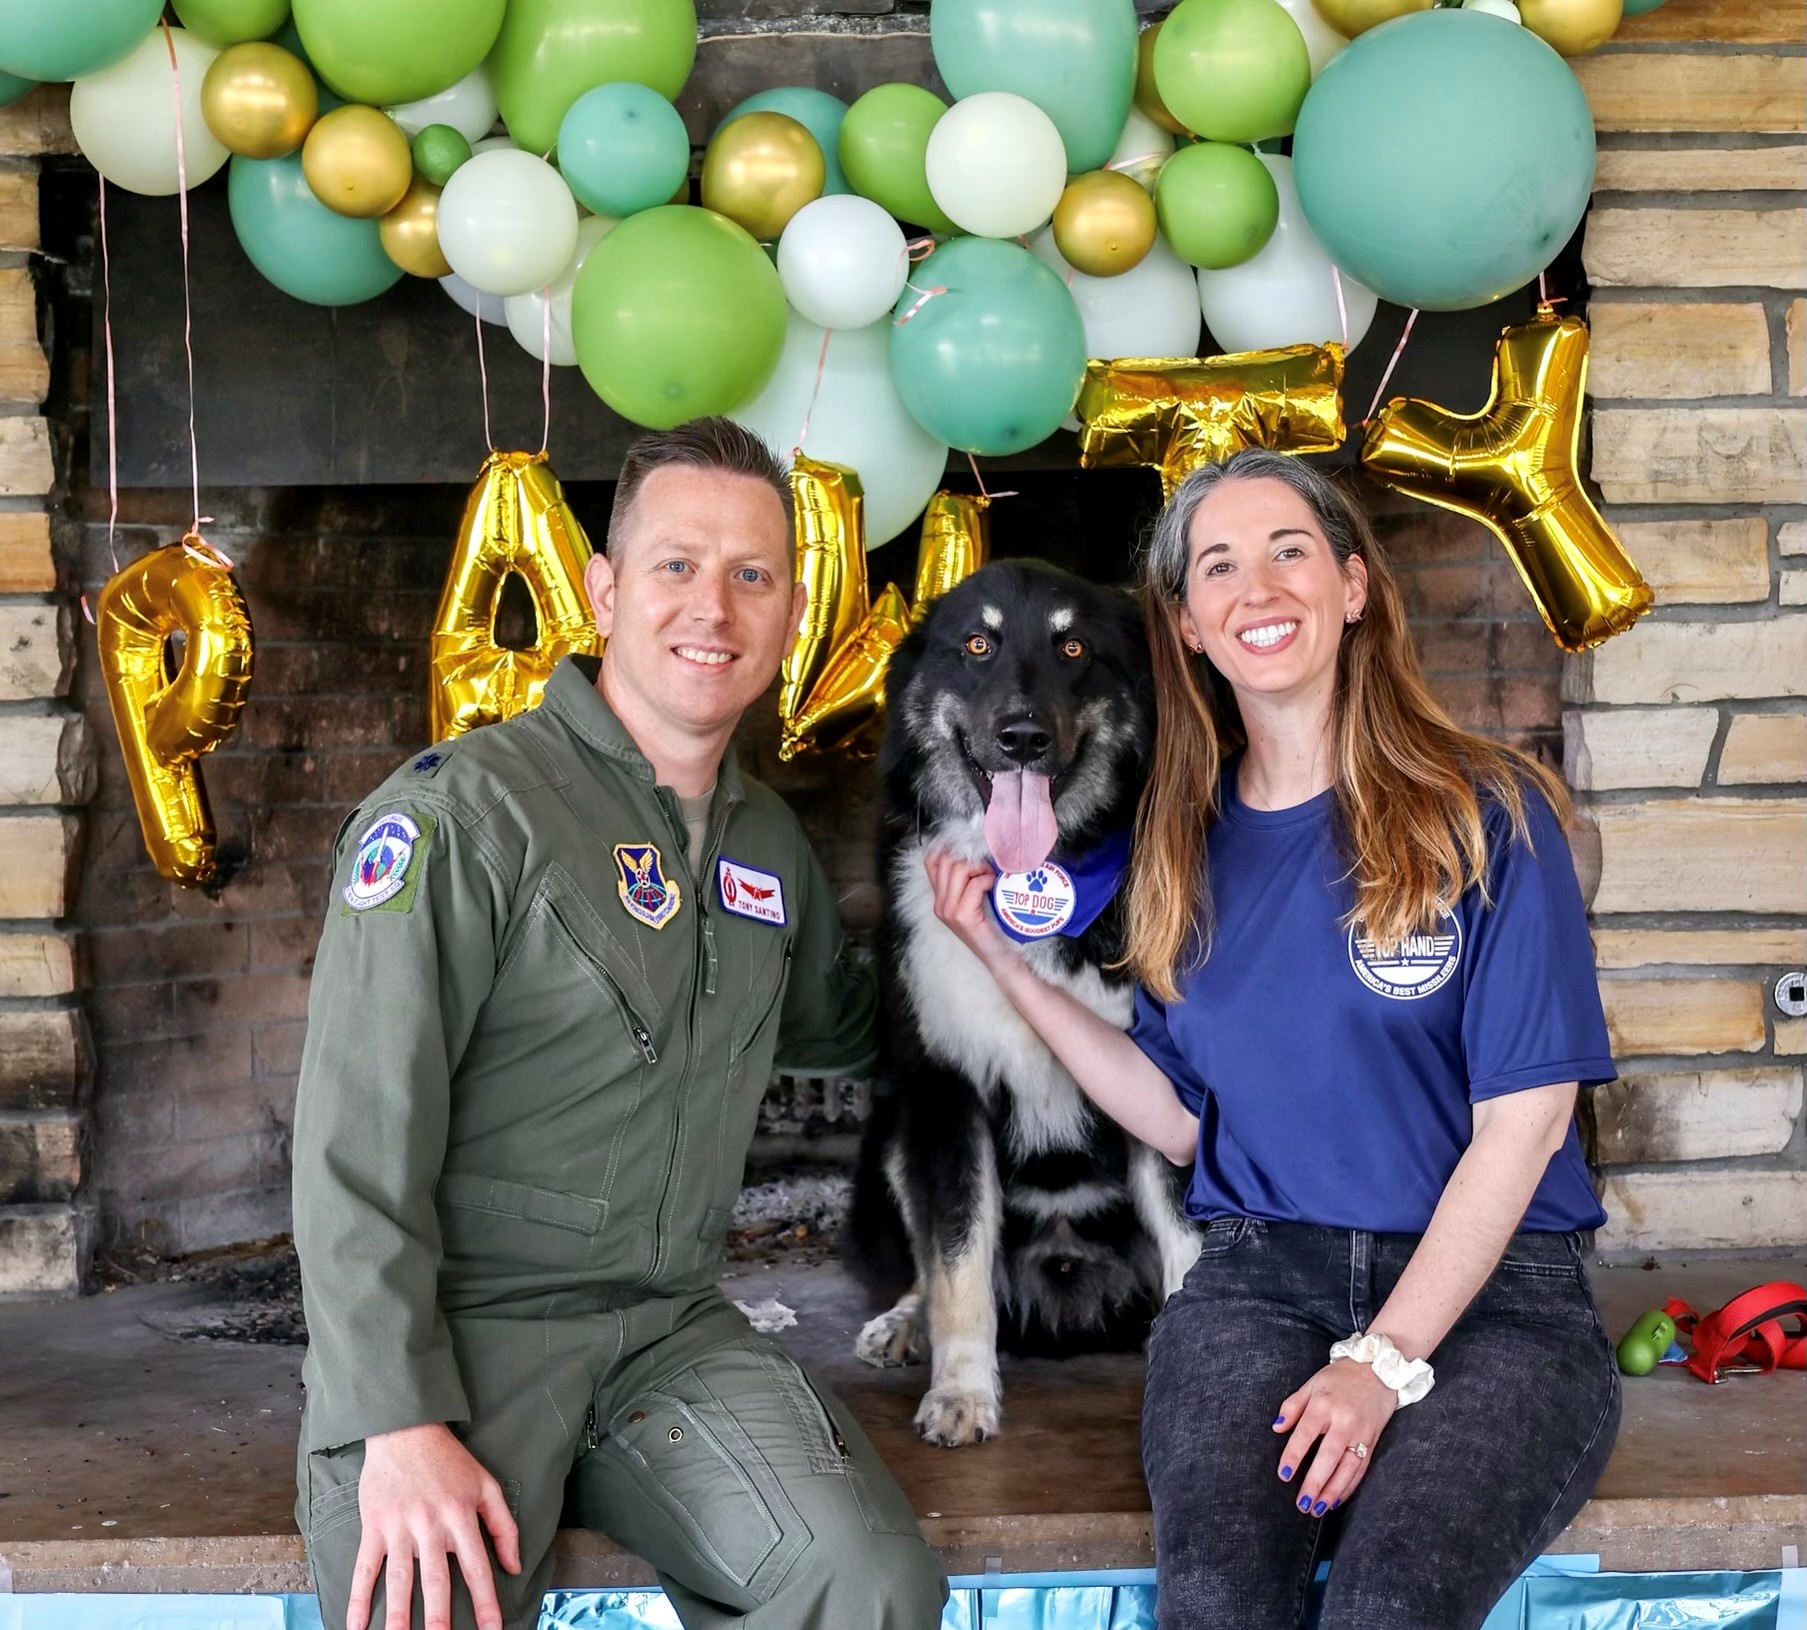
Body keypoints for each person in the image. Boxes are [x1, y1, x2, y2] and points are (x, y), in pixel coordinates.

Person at [923, 449, 1621, 1630]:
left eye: (1289, 551)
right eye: (1219, 567)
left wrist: (1383, 1362)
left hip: (1500, 1302)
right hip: (1259, 1284)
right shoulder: (1180, 847)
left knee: (1388, 1605)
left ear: (1352, 586)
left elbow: (1528, 1118)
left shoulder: (1487, 812)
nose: (1259, 588)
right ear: (1188, 626)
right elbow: (1181, 1115)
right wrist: (1001, 958)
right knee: (1218, 1606)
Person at [291, 418, 947, 1630]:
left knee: (866, 1582)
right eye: (676, 566)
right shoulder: (466, 816)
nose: (715, 606)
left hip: (668, 1336)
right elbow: (351, 1143)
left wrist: (986, 944)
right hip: (461, 1336)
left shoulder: (764, 847)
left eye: (752, 574)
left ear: (791, 610)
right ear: (603, 590)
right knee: (423, 1612)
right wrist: (396, 1421)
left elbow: (857, 1035)